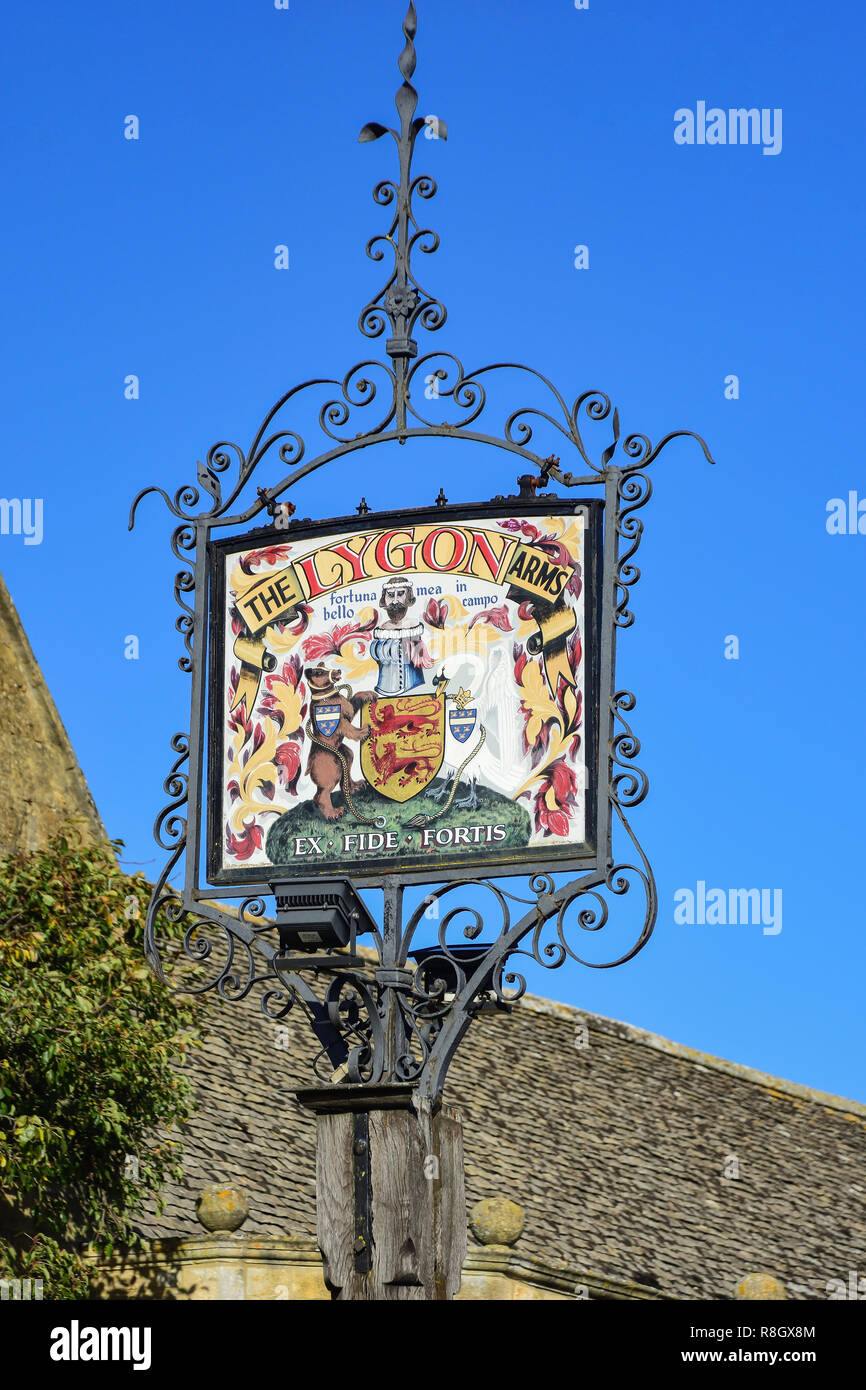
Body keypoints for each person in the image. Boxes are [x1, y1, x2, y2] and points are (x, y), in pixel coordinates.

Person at [369, 576, 433, 696]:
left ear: (408, 596)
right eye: (391, 595)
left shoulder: (413, 626)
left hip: (413, 688)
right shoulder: (383, 628)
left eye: (400, 594)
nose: (394, 601)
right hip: (383, 690)